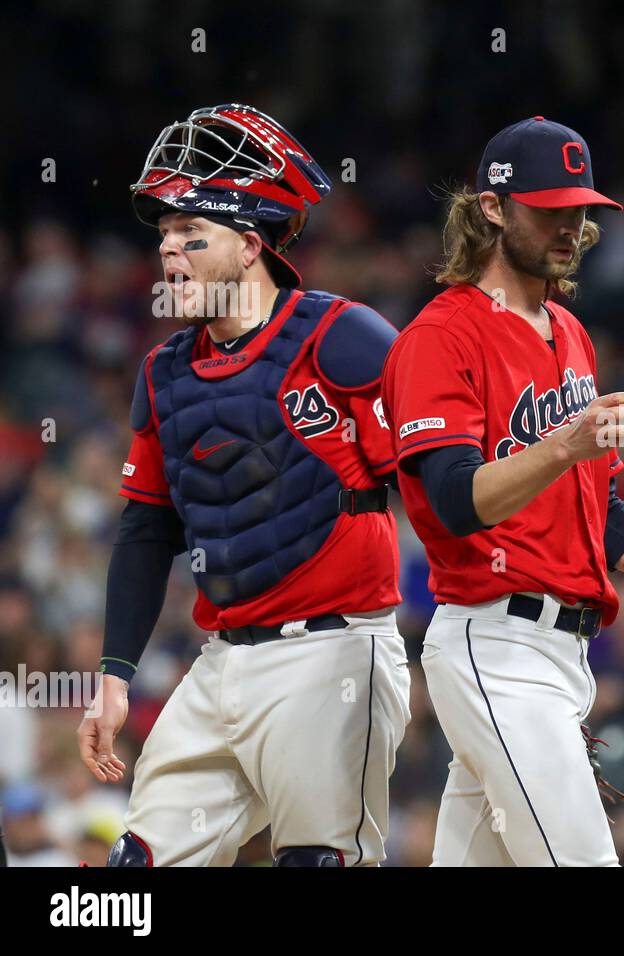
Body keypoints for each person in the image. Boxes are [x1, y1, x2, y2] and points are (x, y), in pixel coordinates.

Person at [381, 116, 624, 866]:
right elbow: (452, 499)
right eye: (549, 208)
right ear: (491, 208)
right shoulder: (440, 336)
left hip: (565, 655)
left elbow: (603, 516)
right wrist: (567, 444)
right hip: (495, 641)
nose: (570, 225)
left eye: (580, 209)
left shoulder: (569, 333)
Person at [76, 104, 410, 867]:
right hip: (220, 660)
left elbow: (435, 477)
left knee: (315, 862)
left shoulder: (341, 334)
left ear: (251, 245)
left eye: (193, 235)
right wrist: (115, 676)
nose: (172, 254)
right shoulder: (163, 371)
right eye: (164, 238)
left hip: (334, 653)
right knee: (132, 872)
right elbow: (144, 530)